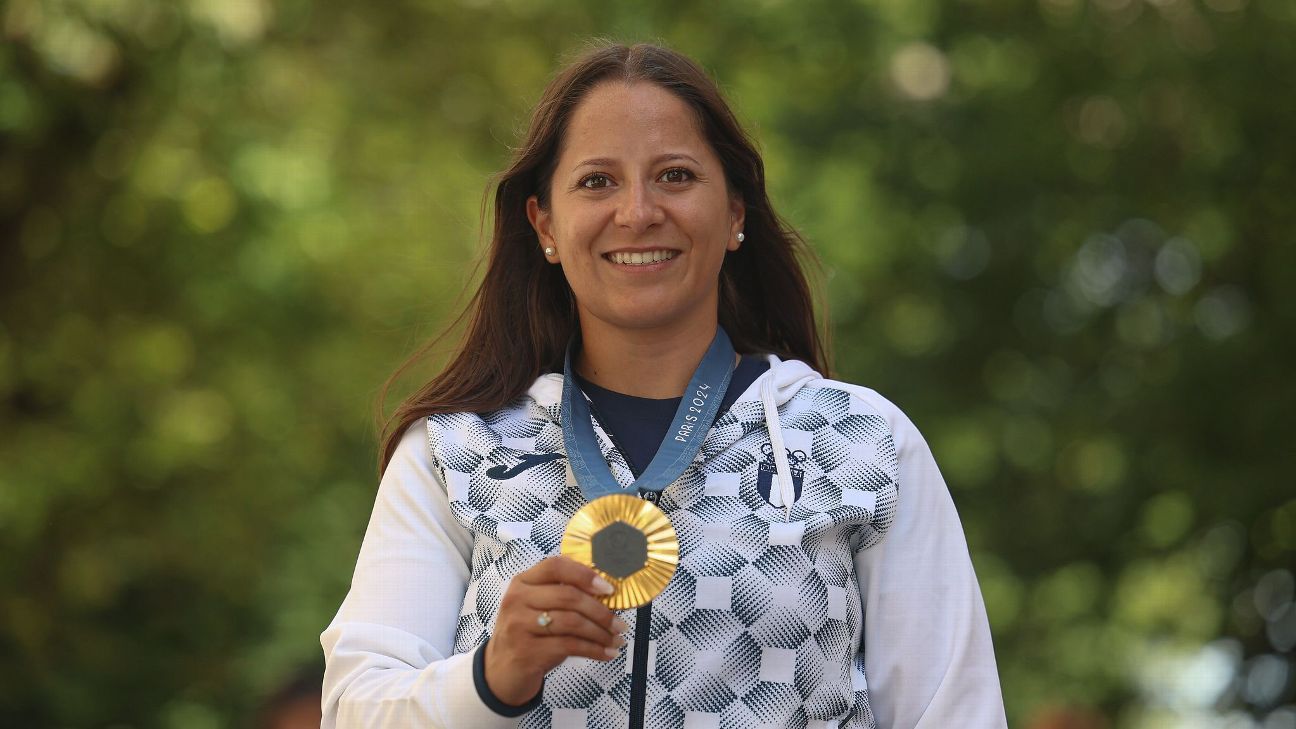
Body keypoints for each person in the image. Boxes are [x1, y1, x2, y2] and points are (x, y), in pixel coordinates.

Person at [321, 42, 1007, 728]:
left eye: (675, 175)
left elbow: (957, 713)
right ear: (545, 225)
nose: (638, 212)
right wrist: (490, 677)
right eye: (597, 182)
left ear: (735, 211)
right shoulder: (454, 451)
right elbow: (353, 708)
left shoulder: (862, 443)